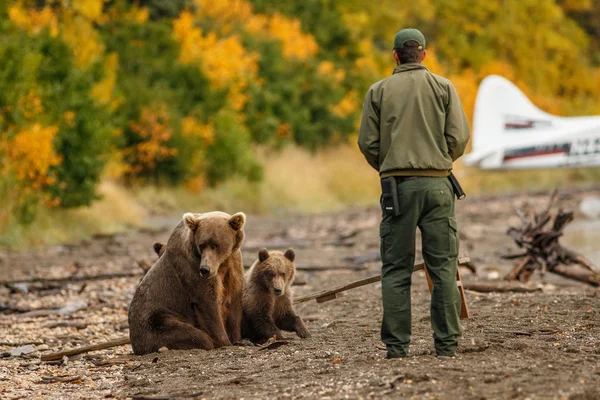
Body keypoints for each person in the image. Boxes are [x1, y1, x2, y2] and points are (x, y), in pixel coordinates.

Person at [358, 28, 470, 359]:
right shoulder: (444, 87)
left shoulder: (378, 91)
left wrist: (389, 164)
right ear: (423, 54)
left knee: (395, 269)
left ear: (395, 55)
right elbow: (459, 138)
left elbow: (368, 143)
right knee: (443, 268)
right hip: (438, 187)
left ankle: (397, 348)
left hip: (397, 189)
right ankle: (447, 346)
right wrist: (439, 160)